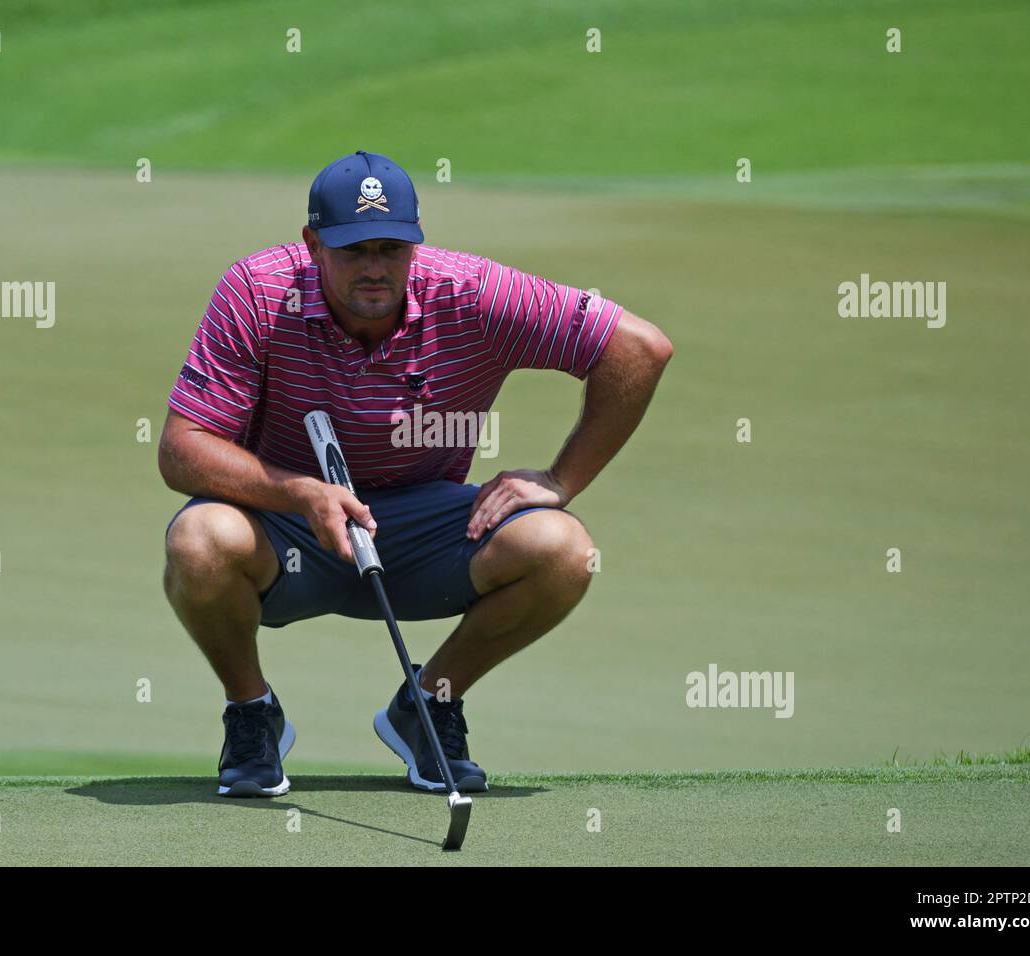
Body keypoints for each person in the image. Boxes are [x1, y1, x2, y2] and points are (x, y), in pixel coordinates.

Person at [160, 149, 673, 797]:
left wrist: (560, 480)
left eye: (391, 249)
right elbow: (182, 448)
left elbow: (640, 347)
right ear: (313, 243)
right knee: (198, 541)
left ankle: (429, 705)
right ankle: (252, 712)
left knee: (563, 550)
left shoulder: (472, 292)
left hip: (422, 531)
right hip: (290, 532)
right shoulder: (258, 291)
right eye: (353, 251)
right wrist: (297, 492)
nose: (375, 269)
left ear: (415, 243)